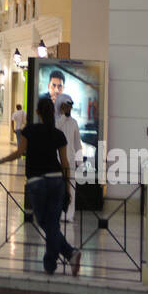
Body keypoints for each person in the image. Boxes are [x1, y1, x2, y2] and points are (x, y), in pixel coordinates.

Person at [0, 95, 81, 276]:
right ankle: (68, 254)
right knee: (52, 224)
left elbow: (19, 153)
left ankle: (53, 262)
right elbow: (65, 163)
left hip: (37, 182)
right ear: (53, 112)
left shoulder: (29, 130)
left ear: (37, 113)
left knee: (46, 223)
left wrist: (0, 160)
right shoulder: (57, 134)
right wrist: (67, 189)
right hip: (57, 181)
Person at [55, 94, 83, 222]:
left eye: (70, 107)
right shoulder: (56, 121)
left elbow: (77, 143)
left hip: (70, 160)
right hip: (57, 160)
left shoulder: (74, 123)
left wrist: (79, 161)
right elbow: (55, 129)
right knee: (57, 187)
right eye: (66, 106)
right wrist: (62, 117)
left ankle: (69, 215)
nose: (68, 109)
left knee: (71, 187)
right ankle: (57, 213)